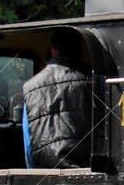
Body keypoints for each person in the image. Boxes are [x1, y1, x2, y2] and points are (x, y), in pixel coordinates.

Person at [21, 30, 92, 168]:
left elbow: (28, 140)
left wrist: (32, 170)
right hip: (87, 167)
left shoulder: (29, 87)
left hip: (45, 169)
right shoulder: (93, 80)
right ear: (80, 51)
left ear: (53, 51)